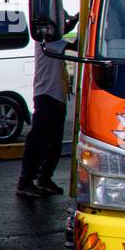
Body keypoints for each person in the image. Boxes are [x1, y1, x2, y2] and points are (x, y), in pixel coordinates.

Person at [17, 25, 76, 199]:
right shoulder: (47, 40)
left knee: (54, 143)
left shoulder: (53, 39)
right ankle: (25, 181)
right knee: (38, 141)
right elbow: (75, 46)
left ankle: (44, 178)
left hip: (57, 96)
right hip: (47, 95)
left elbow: (66, 26)